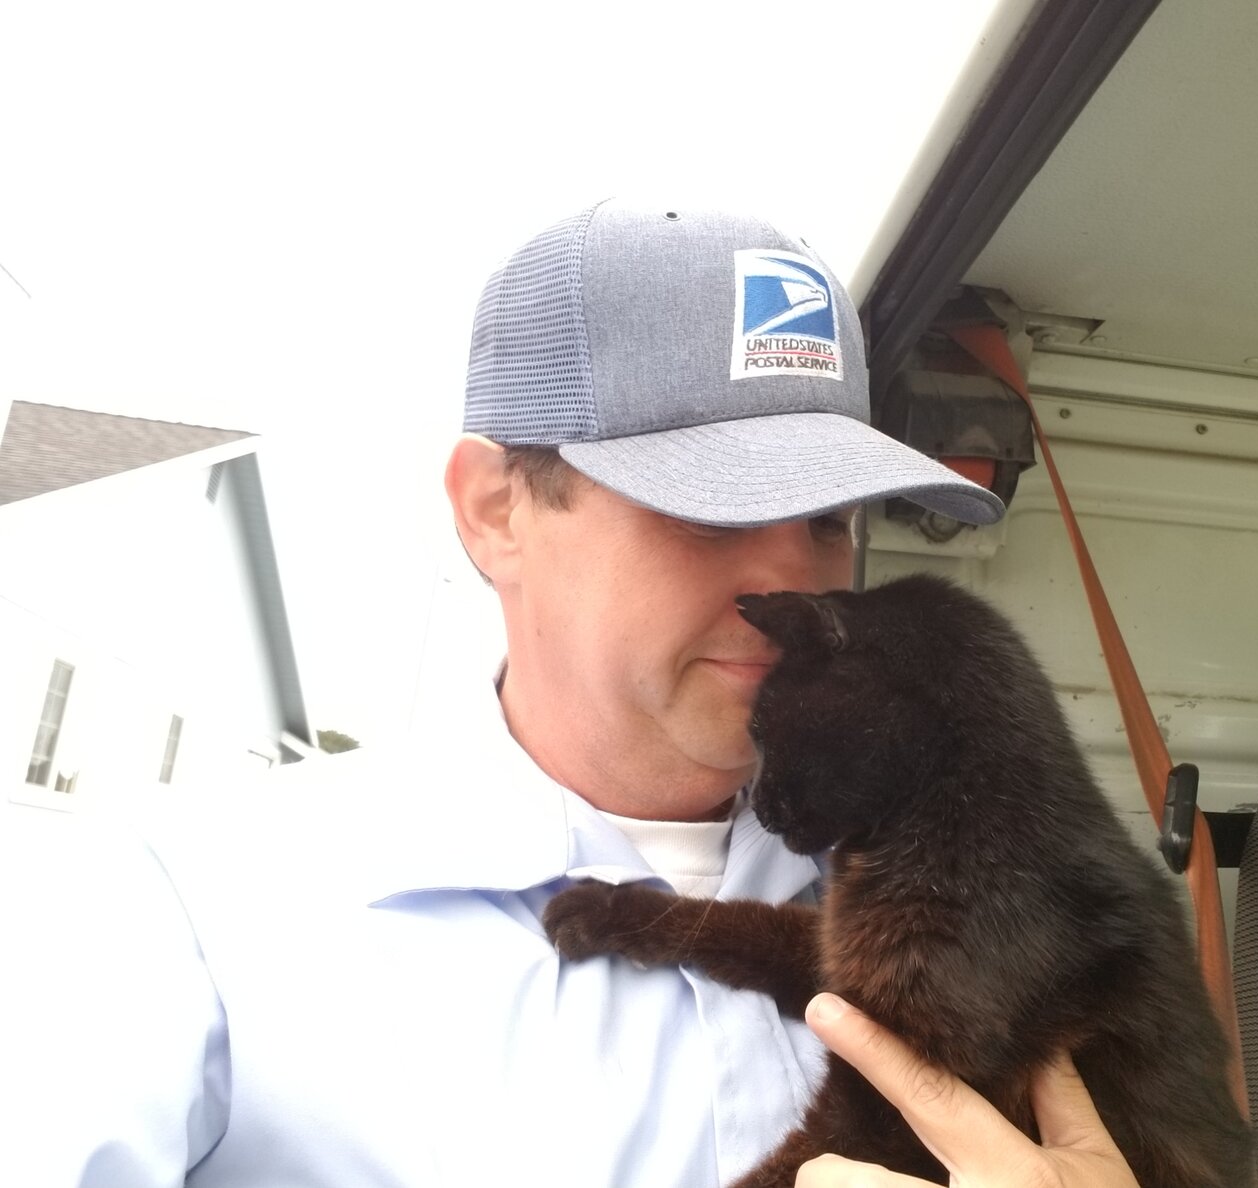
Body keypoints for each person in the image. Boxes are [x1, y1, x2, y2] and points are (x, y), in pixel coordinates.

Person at [0, 197, 1139, 1188]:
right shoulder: (196, 920)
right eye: (714, 509)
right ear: (496, 507)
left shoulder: (990, 904)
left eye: (829, 521)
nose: (798, 582)